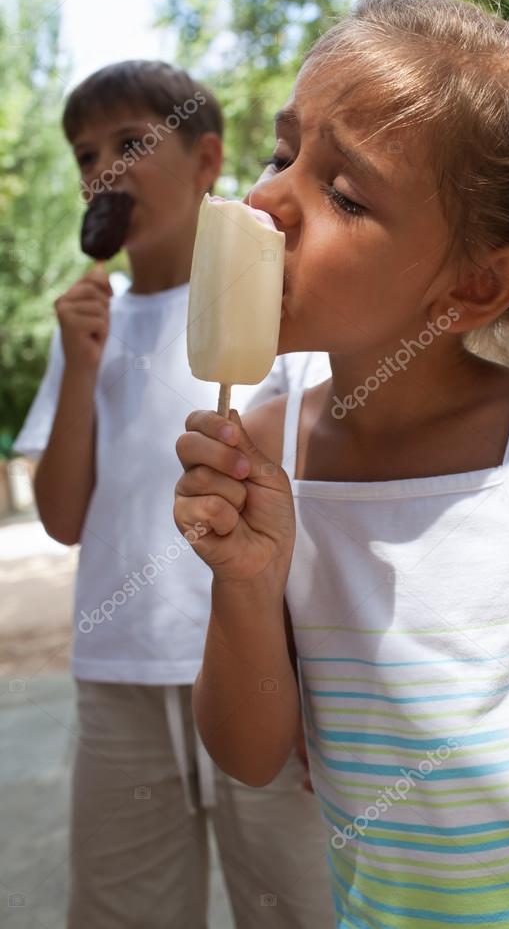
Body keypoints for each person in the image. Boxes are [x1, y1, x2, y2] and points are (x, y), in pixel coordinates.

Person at [174, 0, 509, 927]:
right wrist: (244, 582)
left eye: (344, 194)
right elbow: (249, 755)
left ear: (476, 284)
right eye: (282, 152)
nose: (265, 200)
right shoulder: (272, 450)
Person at [14, 59, 334, 929]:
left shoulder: (274, 303)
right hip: (119, 672)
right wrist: (82, 367)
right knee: (123, 907)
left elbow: (320, 496)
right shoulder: (89, 323)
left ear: (206, 162)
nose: (103, 172)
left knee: (298, 900)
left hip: (263, 670)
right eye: (85, 155)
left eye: (130, 143)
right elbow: (62, 515)